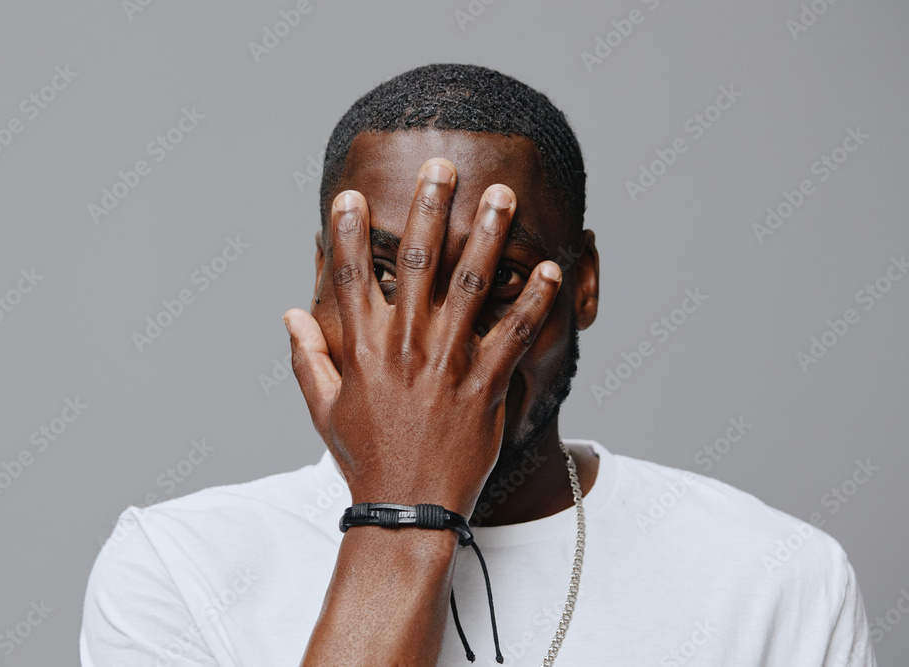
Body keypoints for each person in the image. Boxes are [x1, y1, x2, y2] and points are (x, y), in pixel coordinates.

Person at [80, 63, 876, 666]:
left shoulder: (777, 579)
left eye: (495, 279)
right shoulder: (176, 566)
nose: (437, 341)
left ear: (585, 283)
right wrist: (403, 511)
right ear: (325, 280)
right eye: (386, 275)